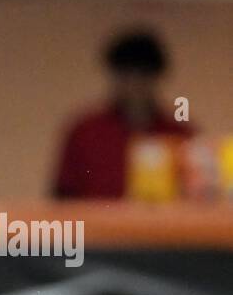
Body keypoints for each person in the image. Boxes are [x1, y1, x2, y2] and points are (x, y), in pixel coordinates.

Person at [52, 29, 191, 199]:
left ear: (157, 77)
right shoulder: (84, 132)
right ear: (114, 76)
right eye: (127, 74)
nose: (135, 83)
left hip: (163, 225)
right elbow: (63, 198)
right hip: (96, 225)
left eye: (143, 74)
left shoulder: (180, 135)